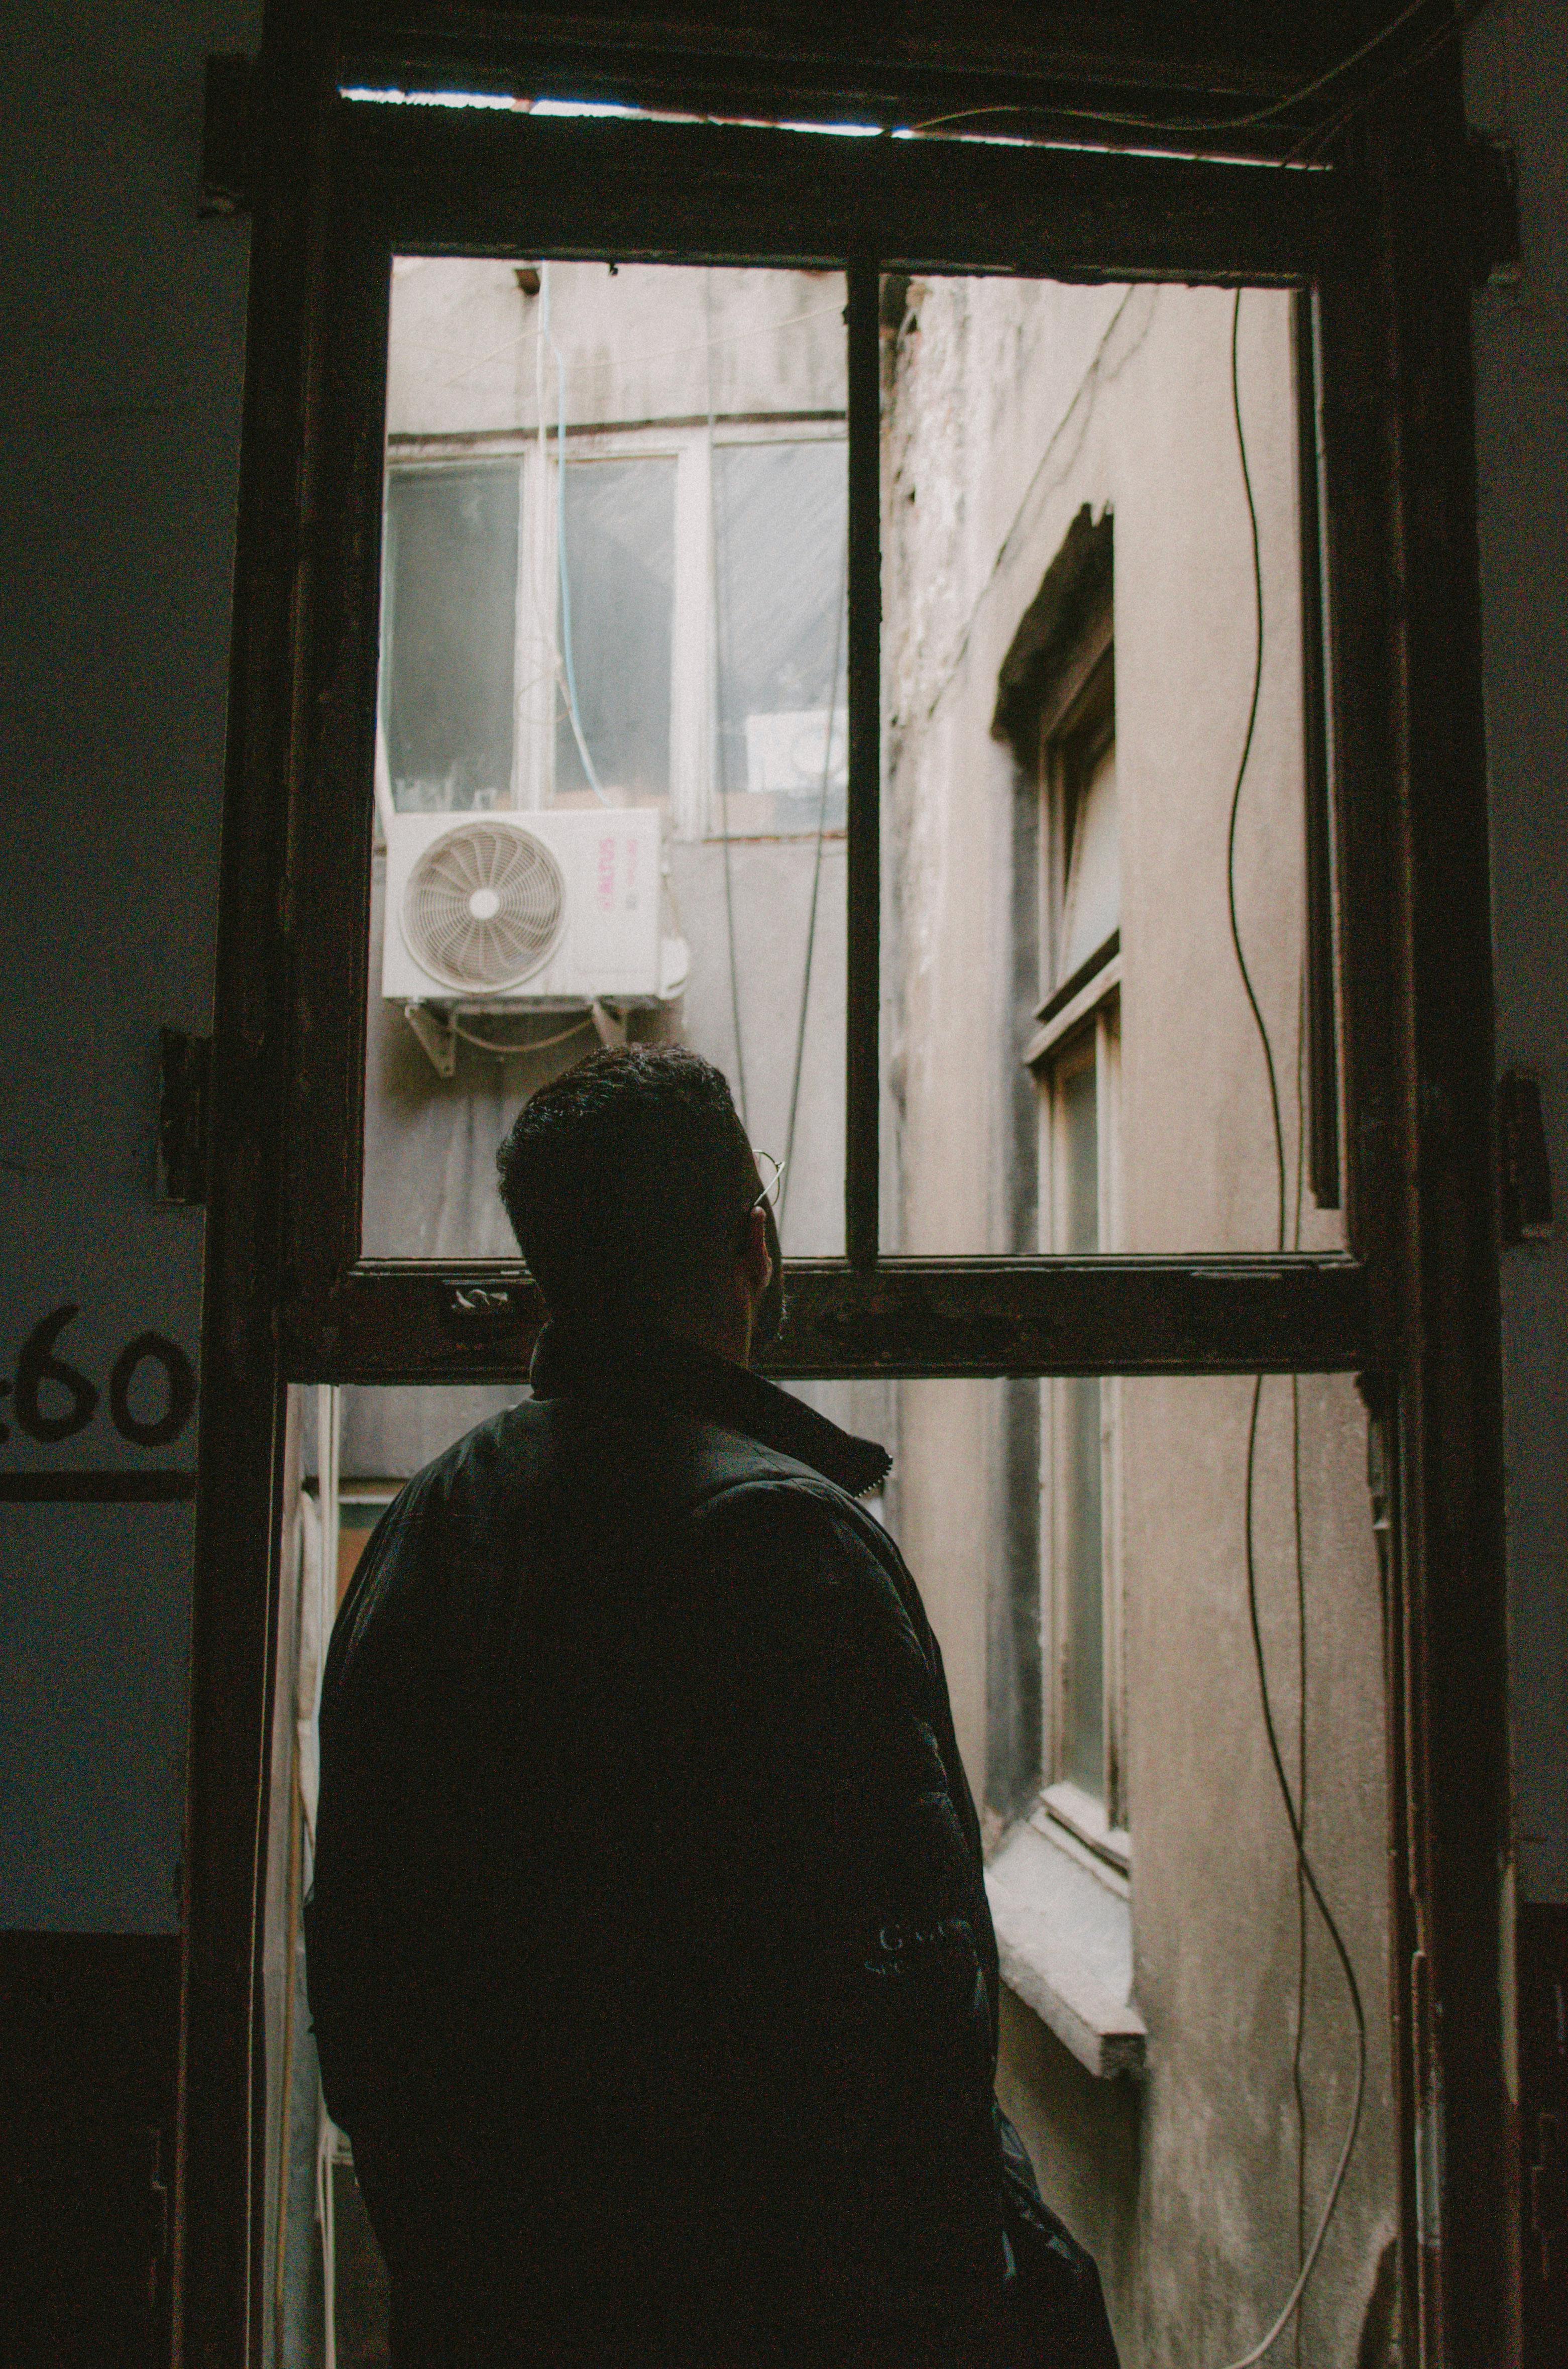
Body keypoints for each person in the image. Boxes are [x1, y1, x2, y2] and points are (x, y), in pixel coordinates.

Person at [306, 1044, 1115, 2368]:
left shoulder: (425, 1528)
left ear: (547, 1272)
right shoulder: (786, 1547)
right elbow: (905, 2034)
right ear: (755, 1241)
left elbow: (360, 1979)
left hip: (485, 2303)